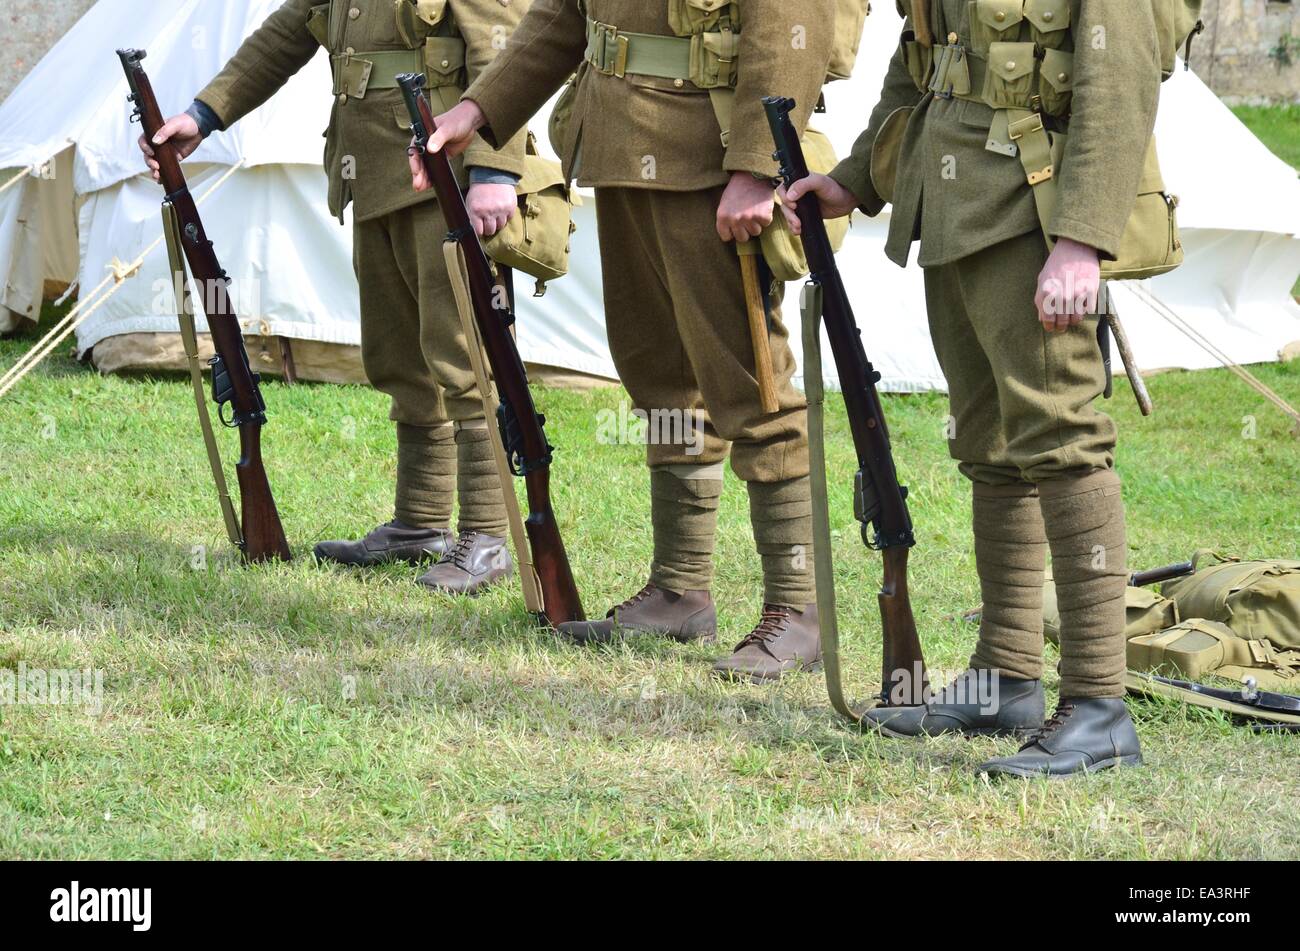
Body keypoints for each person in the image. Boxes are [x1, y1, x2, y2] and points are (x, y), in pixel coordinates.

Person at [787, 0, 1160, 775]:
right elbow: (924, 59)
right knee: (991, 447)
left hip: (1038, 209)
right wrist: (856, 180)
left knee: (1062, 439)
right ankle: (1006, 675)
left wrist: (1084, 239)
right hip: (954, 207)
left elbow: (1118, 82)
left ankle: (1099, 706)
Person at [414, 0, 838, 682]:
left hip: (714, 155)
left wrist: (759, 165)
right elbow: (561, 17)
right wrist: (478, 111)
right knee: (658, 376)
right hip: (619, 145)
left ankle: (798, 610)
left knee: (751, 386)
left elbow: (792, 24)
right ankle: (678, 589)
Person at [139, 0, 532, 595]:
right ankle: (420, 523)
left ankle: (487, 536)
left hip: (446, 179)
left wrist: (495, 171)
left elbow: (505, 50)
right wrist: (204, 115)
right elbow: (287, 34)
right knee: (396, 357)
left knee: (464, 359)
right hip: (372, 174)